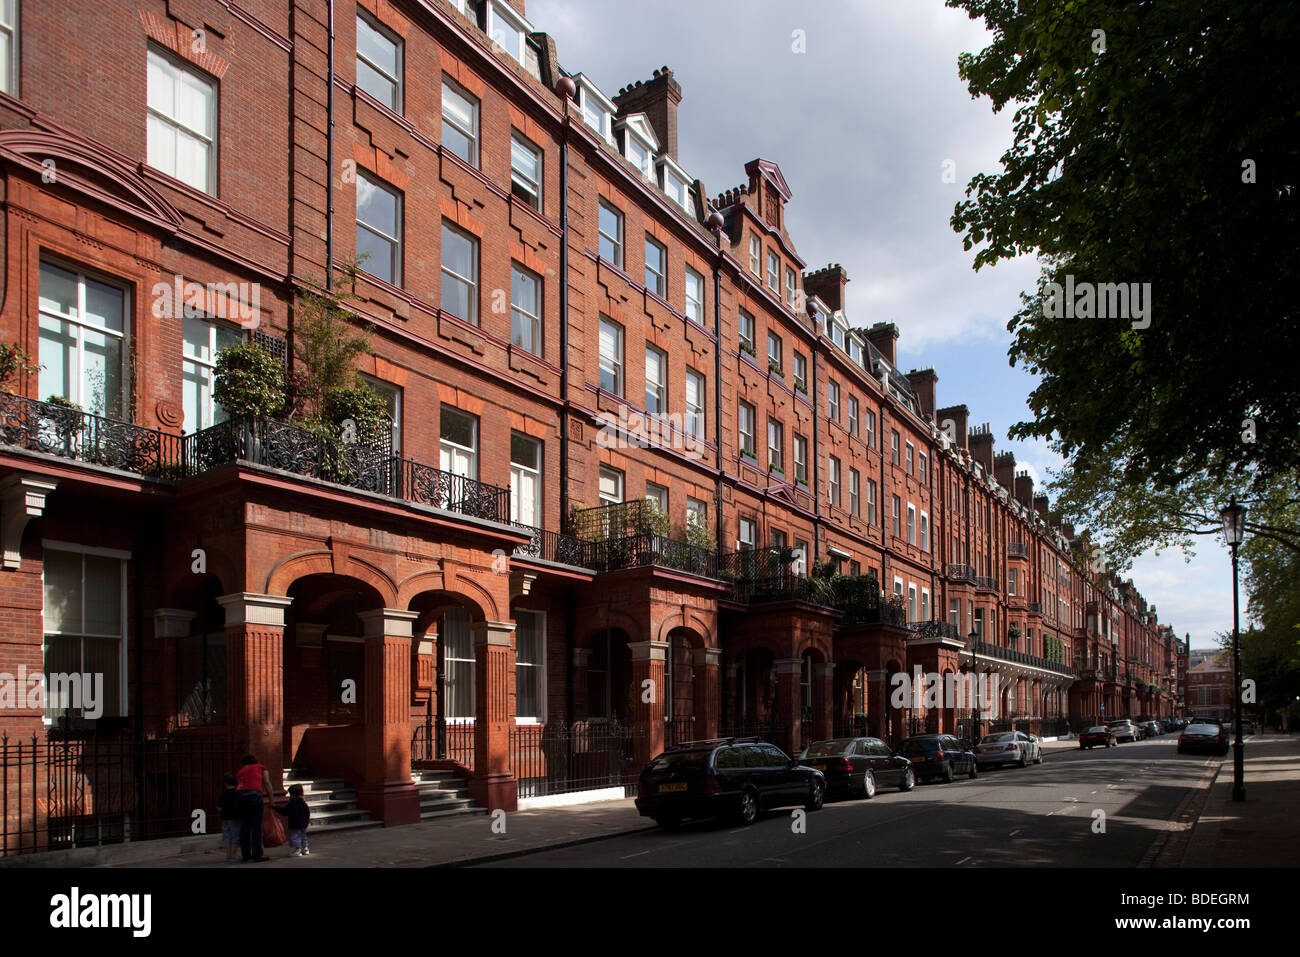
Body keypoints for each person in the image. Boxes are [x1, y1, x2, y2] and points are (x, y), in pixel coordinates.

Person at [235, 754, 275, 863]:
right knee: (256, 826)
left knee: (245, 827)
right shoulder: (261, 767)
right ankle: (257, 854)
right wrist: (271, 800)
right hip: (254, 796)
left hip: (241, 798)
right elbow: (266, 782)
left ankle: (246, 855)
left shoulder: (240, 771)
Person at [274, 784, 311, 857]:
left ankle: (298, 850)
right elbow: (307, 813)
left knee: (295, 837)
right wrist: (306, 821)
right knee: (303, 836)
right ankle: (305, 848)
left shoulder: (292, 803)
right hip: (303, 823)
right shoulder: (303, 803)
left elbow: (285, 812)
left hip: (294, 824)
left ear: (292, 794)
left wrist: (276, 808)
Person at [218, 773, 241, 863]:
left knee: (227, 836)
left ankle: (228, 855)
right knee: (235, 836)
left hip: (225, 817)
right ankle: (233, 855)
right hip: (235, 817)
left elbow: (219, 807)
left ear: (225, 783)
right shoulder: (237, 793)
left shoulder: (223, 794)